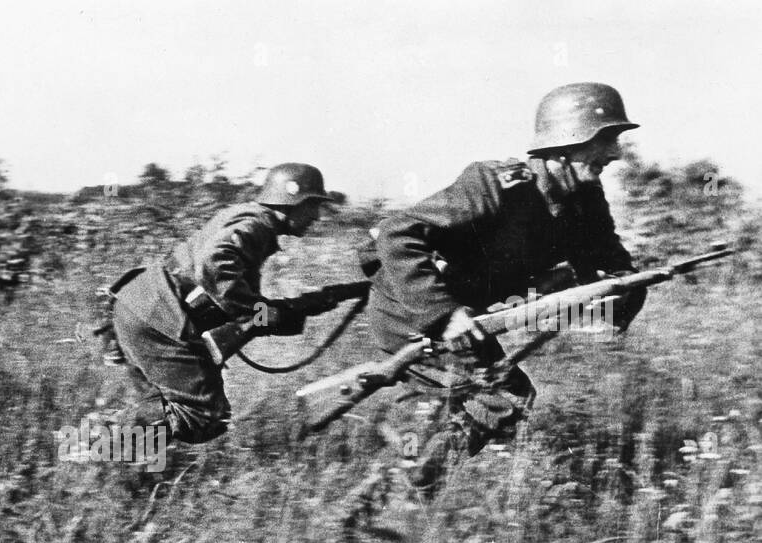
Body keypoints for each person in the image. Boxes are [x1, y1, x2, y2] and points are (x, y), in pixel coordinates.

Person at [360, 82, 646, 496]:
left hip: (469, 319)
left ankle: (412, 486)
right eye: (604, 140)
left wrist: (619, 297)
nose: (615, 154)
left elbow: (609, 263)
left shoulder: (584, 198)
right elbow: (398, 233)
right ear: (567, 140)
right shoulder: (493, 185)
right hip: (410, 310)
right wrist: (445, 314)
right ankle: (389, 496)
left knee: (497, 400)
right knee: (502, 397)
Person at [101, 162, 337, 449]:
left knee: (157, 406)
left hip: (140, 307)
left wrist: (289, 310)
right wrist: (262, 311)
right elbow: (216, 264)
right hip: (156, 318)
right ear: (293, 200)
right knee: (205, 416)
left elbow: (239, 301)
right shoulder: (256, 226)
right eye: (313, 205)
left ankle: (116, 464)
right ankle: (99, 440)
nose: (316, 217)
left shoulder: (250, 218)